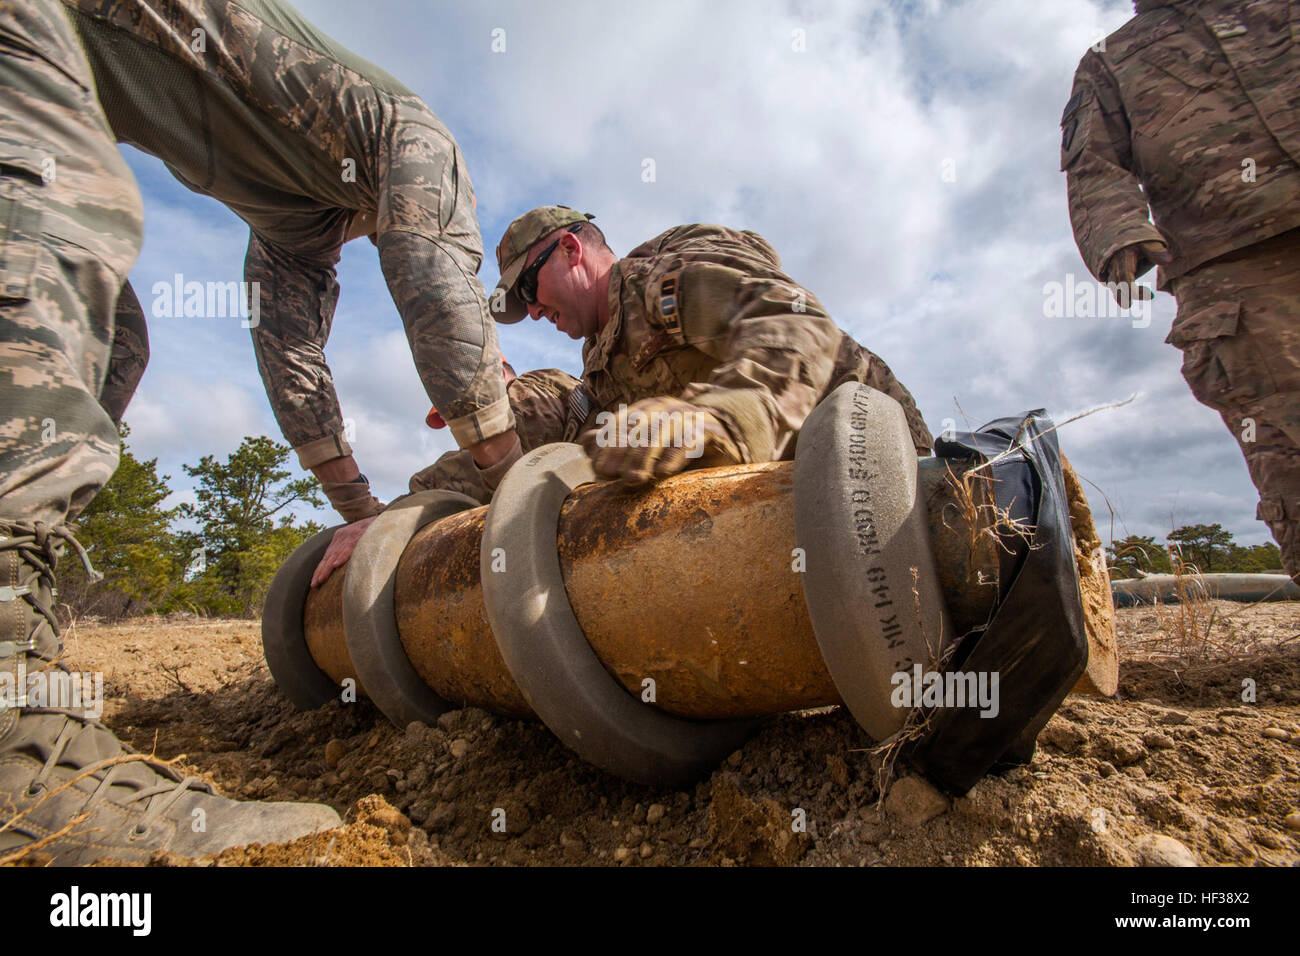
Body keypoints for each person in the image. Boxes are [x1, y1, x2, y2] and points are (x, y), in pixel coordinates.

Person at [0, 0, 508, 864]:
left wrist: (359, 511)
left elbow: (288, 355)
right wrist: (507, 479)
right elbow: (432, 282)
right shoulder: (412, 135)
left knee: (112, 341)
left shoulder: (293, 222)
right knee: (65, 221)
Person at [1061, 0, 1300, 578]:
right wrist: (1118, 233)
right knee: (1286, 438)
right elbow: (1092, 162)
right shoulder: (1109, 59)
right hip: (1229, 266)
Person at [489, 206, 933, 486]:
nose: (531, 311)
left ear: (570, 249)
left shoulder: (657, 281)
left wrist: (718, 419)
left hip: (874, 450)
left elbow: (794, 323)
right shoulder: (599, 365)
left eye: (528, 287)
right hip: (792, 493)